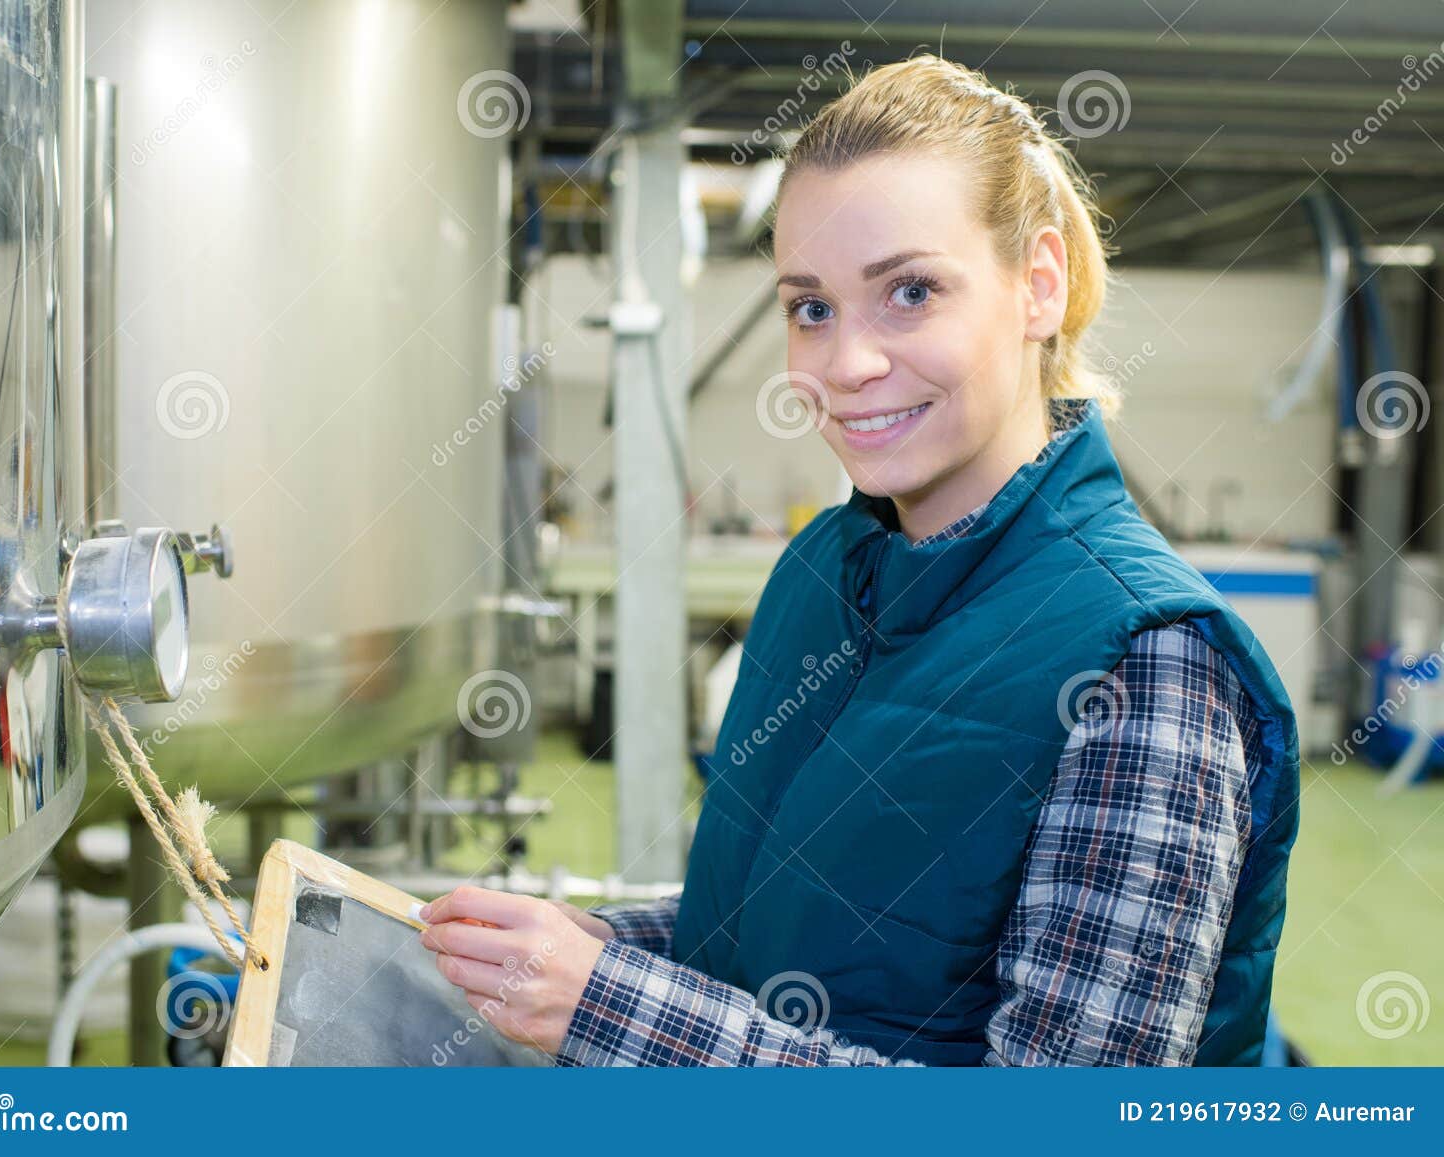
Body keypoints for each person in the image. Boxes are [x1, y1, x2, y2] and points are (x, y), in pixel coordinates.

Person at [418, 54, 1299, 1067]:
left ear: (1037, 286)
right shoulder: (821, 575)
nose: (846, 365)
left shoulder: (1146, 664)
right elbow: (781, 930)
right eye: (811, 307)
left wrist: (613, 1009)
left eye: (911, 291)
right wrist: (601, 948)